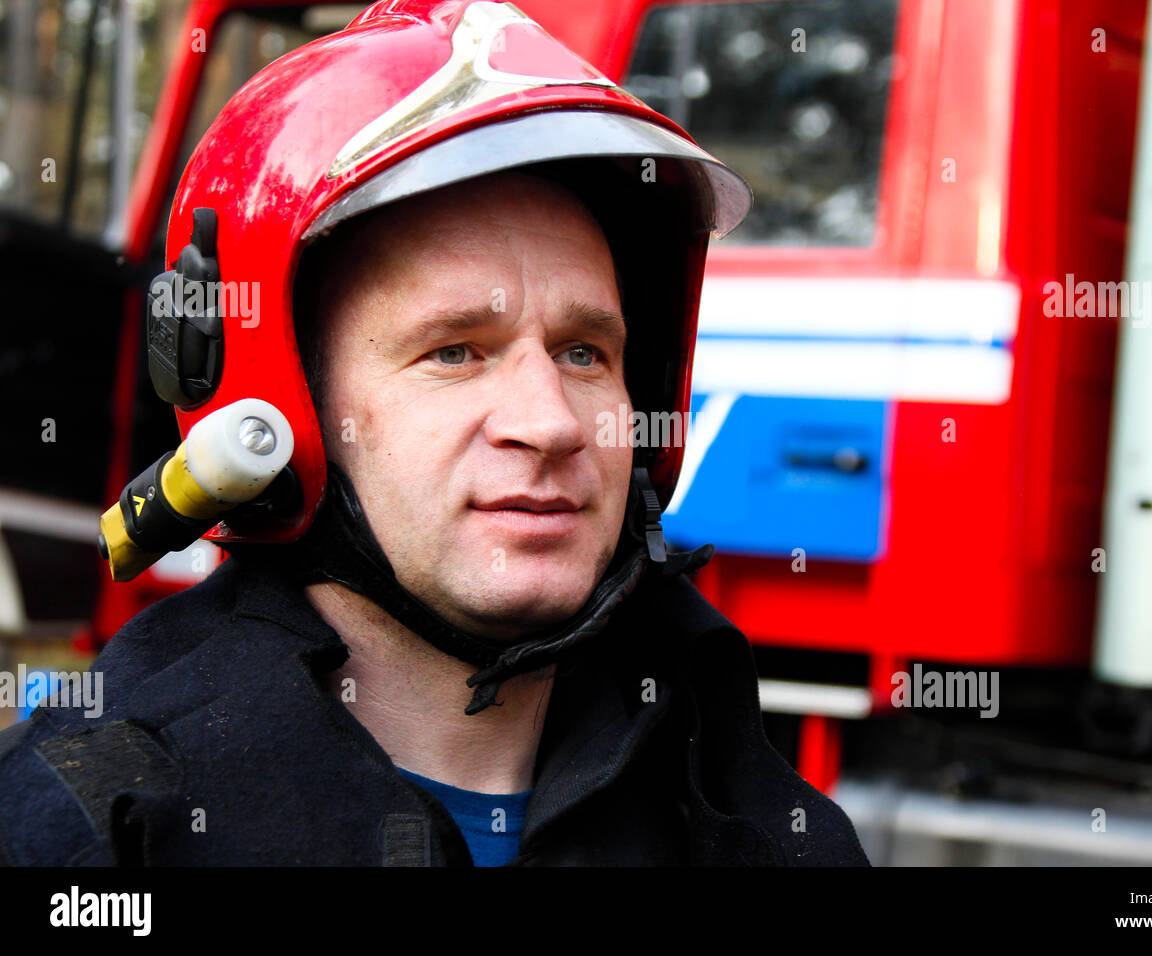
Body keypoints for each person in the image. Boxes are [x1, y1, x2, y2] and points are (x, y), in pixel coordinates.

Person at [0, 0, 869, 866]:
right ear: (273, 405)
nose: (550, 423)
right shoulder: (92, 833)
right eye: (454, 352)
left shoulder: (759, 825)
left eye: (583, 351)